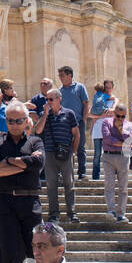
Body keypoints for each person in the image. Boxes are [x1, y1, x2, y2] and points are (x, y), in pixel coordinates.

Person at [0, 102, 46, 263]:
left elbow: (38, 164)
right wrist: (25, 162)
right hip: (5, 203)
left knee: (35, 249)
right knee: (9, 253)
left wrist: (9, 160)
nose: (15, 124)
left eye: (19, 120)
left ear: (27, 121)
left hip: (30, 202)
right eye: (10, 121)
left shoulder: (36, 142)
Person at [32, 88, 79, 226]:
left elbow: (76, 134)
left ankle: (72, 212)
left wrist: (74, 152)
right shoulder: (44, 114)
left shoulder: (69, 114)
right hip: (50, 153)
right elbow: (38, 130)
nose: (48, 102)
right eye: (47, 99)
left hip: (66, 153)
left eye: (51, 99)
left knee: (69, 183)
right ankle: (54, 214)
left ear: (59, 99)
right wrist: (45, 114)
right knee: (51, 185)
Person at [100, 102, 132, 222]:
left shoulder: (129, 125)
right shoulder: (106, 122)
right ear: (114, 113)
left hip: (123, 157)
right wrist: (124, 143)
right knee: (109, 184)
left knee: (123, 187)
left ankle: (121, 213)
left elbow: (130, 141)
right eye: (118, 116)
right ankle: (111, 210)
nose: (120, 118)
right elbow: (107, 139)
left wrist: (121, 130)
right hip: (108, 157)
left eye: (123, 116)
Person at [57, 67, 89, 181]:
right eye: (59, 76)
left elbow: (85, 103)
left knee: (80, 147)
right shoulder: (59, 91)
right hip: (64, 123)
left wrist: (84, 119)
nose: (60, 78)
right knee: (64, 148)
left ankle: (82, 173)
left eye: (62, 75)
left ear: (70, 75)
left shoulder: (80, 87)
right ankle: (65, 173)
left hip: (78, 122)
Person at [86, 79, 117, 182]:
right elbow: (89, 114)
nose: (108, 89)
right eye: (106, 87)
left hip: (109, 130)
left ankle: (112, 176)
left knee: (110, 153)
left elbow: (114, 111)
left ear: (112, 88)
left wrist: (98, 116)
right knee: (97, 154)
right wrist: (101, 115)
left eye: (109, 87)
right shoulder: (99, 99)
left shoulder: (113, 99)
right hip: (97, 130)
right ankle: (95, 177)